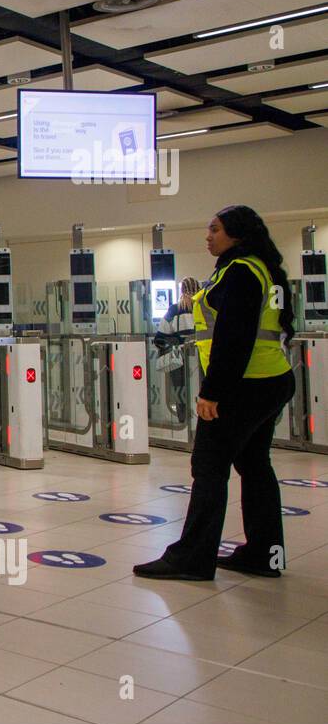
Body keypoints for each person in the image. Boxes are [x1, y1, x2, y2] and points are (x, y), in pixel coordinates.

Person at [135, 206, 297, 582]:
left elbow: (233, 339)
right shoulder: (263, 268)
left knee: (209, 466)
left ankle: (192, 557)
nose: (208, 236)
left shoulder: (240, 272)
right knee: (255, 464)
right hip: (271, 379)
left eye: (215, 229)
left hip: (245, 384)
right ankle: (265, 553)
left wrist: (213, 392)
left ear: (236, 234)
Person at [154, 277, 199, 426]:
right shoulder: (204, 307)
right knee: (202, 390)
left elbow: (160, 338)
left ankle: (184, 422)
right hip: (202, 359)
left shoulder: (174, 310)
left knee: (181, 391)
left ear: (182, 290)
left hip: (179, 359)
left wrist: (174, 342)